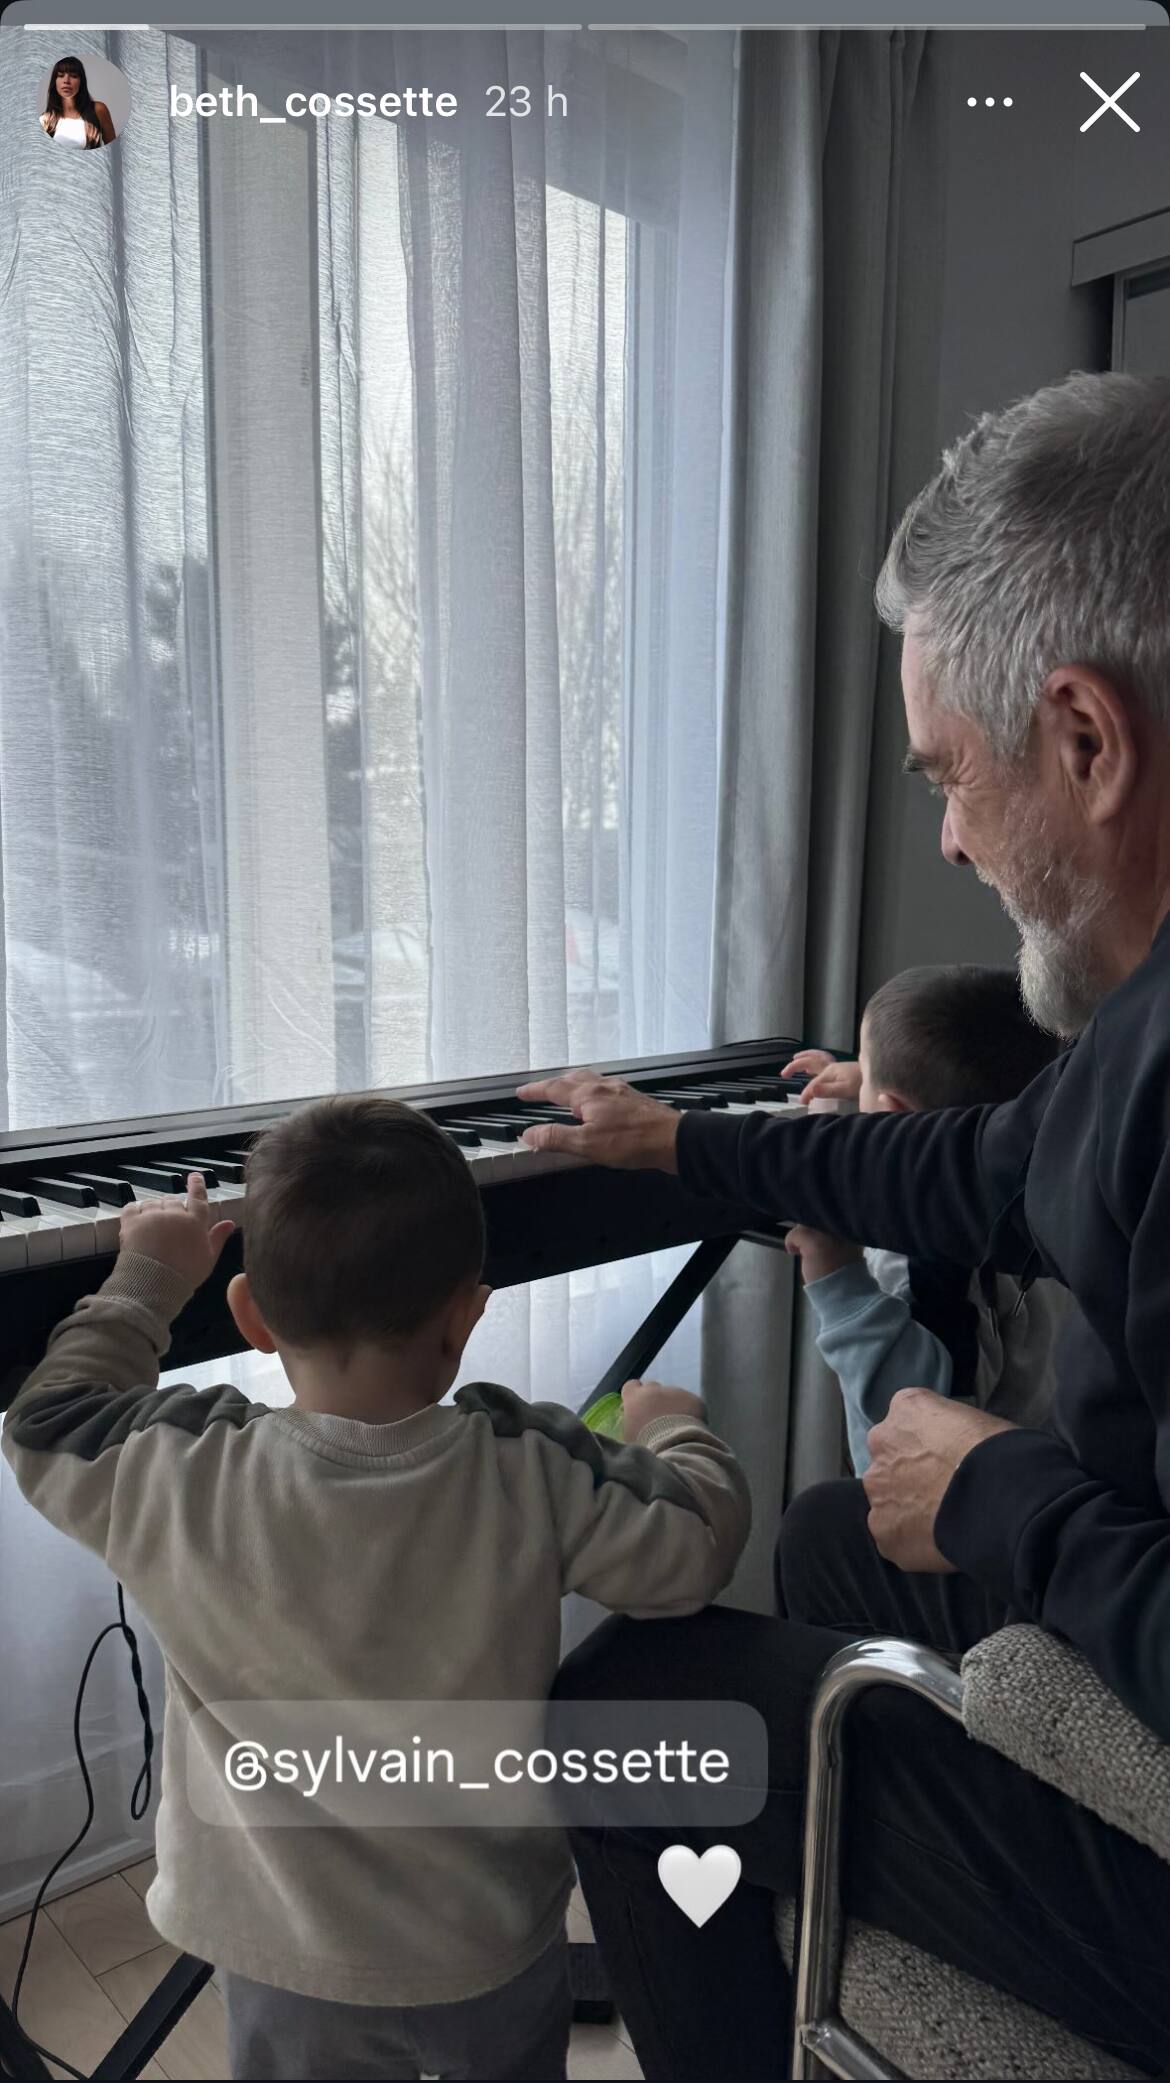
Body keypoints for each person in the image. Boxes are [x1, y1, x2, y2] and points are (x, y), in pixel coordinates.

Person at [518, 371, 1170, 2079]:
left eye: (954, 775)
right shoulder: (1136, 1040)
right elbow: (964, 1171)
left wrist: (1002, 1488)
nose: (947, 832)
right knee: (827, 1538)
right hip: (1113, 1600)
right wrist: (689, 1146)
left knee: (623, 1714)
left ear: (1089, 741)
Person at [2, 1096, 750, 2082]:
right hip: (485, 1941)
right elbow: (695, 1543)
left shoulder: (180, 1466)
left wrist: (148, 1280)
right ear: (467, 1314)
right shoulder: (527, 1464)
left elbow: (48, 1423)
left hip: (281, 1954)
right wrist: (671, 1426)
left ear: (250, 1320)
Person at [783, 965, 1064, 1473]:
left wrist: (837, 1278)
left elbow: (922, 1405)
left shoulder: (933, 1254)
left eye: (864, 1073)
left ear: (893, 1116)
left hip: (941, 1510)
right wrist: (869, 1080)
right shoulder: (1011, 1191)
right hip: (1014, 1468)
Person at [40, 56, 115, 148]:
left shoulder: (98, 109)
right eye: (60, 75)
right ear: (54, 82)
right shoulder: (46, 119)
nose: (66, 81)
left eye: (73, 76)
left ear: (81, 82)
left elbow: (114, 150)